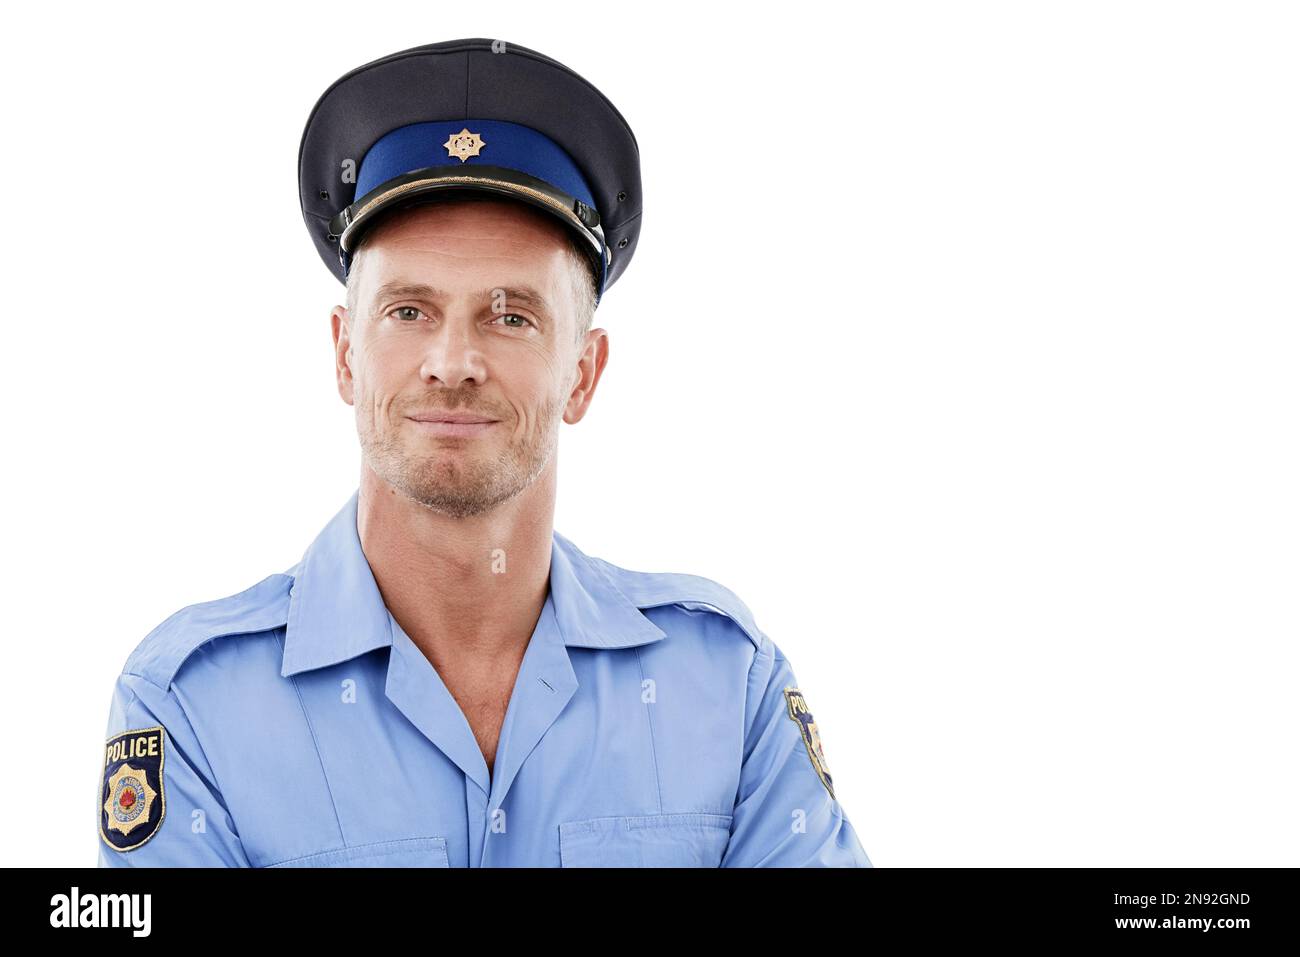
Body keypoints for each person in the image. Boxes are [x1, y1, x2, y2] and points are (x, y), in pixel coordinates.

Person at [97, 37, 872, 867]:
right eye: (408, 310)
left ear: (584, 371)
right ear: (344, 355)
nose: (453, 360)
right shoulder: (191, 703)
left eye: (511, 317)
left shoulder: (725, 685)